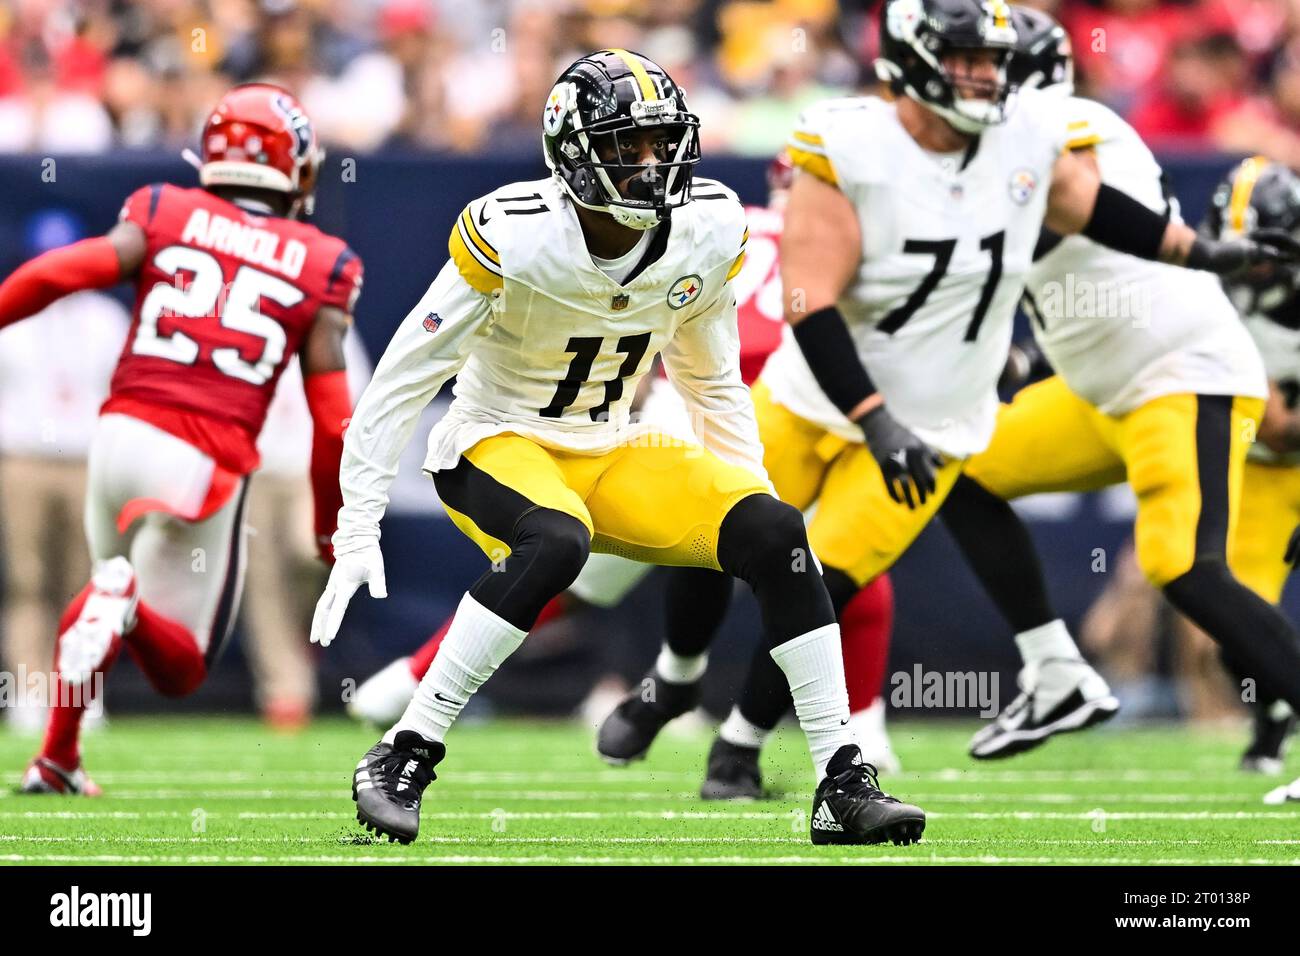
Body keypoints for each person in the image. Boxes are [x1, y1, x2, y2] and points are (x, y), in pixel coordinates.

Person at [592, 0, 1299, 785]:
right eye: (967, 60)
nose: (988, 80)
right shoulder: (849, 142)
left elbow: (1090, 208)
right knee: (711, 528)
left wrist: (1201, 252)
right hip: (824, 390)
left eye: (996, 62)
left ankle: (743, 748)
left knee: (822, 580)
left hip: (954, 411)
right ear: (910, 60)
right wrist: (877, 413)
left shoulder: (1033, 141)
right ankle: (680, 673)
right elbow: (813, 299)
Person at [311, 49, 926, 848]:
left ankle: (841, 782)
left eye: (660, 143)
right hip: (497, 440)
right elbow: (397, 381)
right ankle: (404, 751)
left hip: (612, 442)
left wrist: (751, 508)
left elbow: (711, 383)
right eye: (626, 147)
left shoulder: (702, 229)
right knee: (556, 541)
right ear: (571, 153)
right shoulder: (517, 235)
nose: (651, 165)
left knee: (779, 532)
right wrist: (356, 525)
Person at [0, 83, 362, 793]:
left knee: (96, 594)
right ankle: (122, 606)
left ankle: (58, 757)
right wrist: (330, 527)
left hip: (116, 439)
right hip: (200, 455)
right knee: (181, 666)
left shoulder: (166, 209)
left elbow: (57, 273)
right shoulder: (324, 262)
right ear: (293, 167)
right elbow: (332, 424)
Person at [0, 211, 130, 732]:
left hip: (85, 462)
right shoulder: (16, 313)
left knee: (84, 587)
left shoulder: (105, 319)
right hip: (25, 461)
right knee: (28, 581)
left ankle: (80, 693)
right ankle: (30, 691)